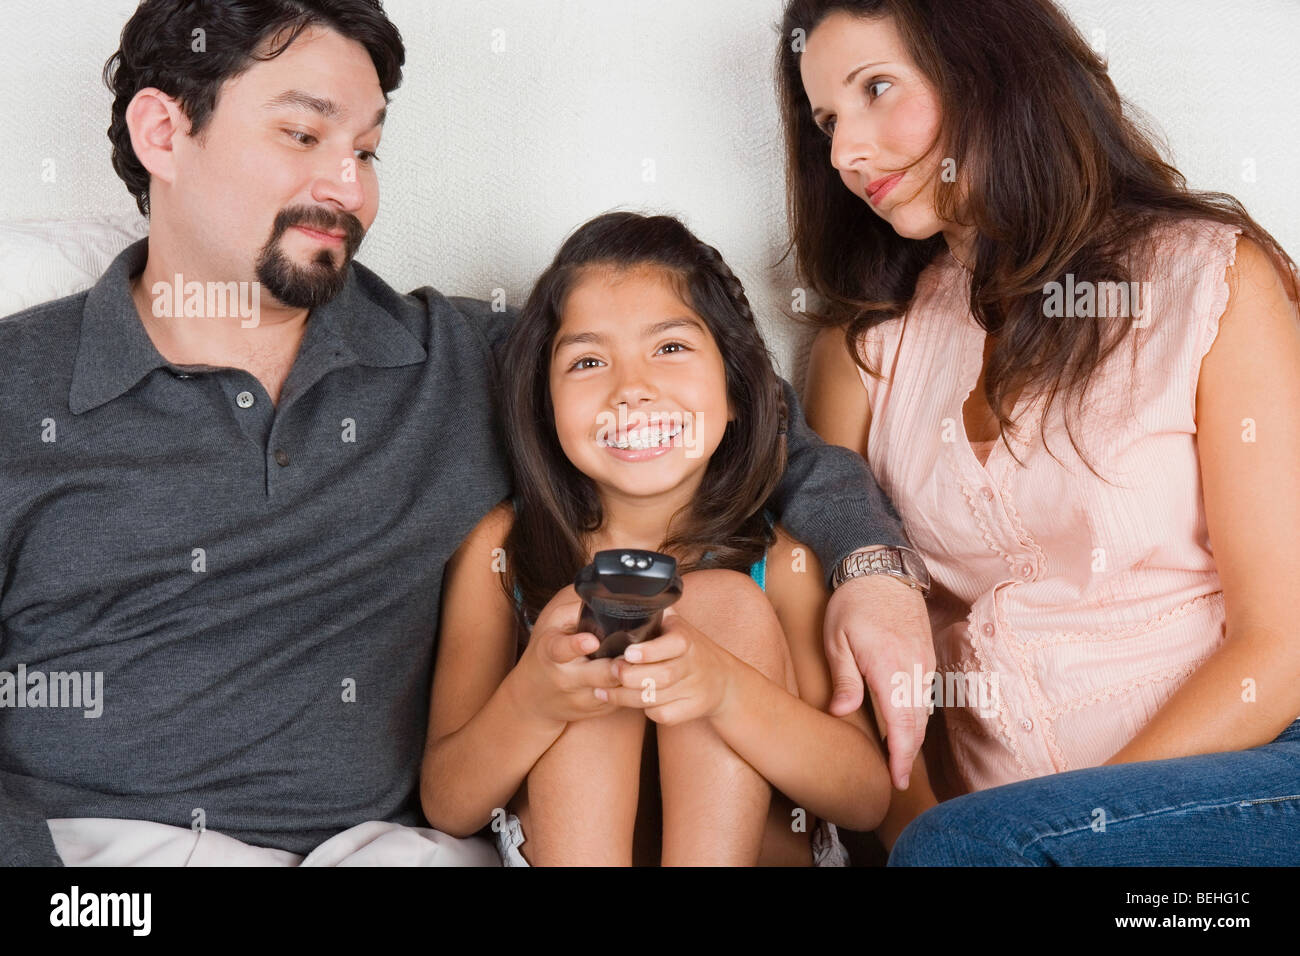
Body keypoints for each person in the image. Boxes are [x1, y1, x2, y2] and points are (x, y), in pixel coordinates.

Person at [0, 0, 925, 866]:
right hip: (102, 857)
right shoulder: (17, 387)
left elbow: (745, 420)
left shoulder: (467, 358)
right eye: (303, 133)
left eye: (366, 150)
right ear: (164, 132)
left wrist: (872, 567)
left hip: (380, 850)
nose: (347, 185)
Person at [778, 0, 1300, 863]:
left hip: (1245, 784)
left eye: (877, 89)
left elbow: (1279, 644)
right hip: (978, 839)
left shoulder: (1214, 282)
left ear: (990, 68)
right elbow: (836, 616)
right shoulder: (869, 352)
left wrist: (1068, 836)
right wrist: (919, 832)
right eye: (826, 121)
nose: (844, 152)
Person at [421, 212, 892, 865]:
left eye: (669, 348)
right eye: (588, 360)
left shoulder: (782, 560)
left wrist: (725, 690)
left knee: (721, 604)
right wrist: (534, 699)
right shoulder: (502, 547)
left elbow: (866, 797)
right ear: (543, 406)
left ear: (734, 392)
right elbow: (448, 803)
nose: (631, 390)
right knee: (580, 621)